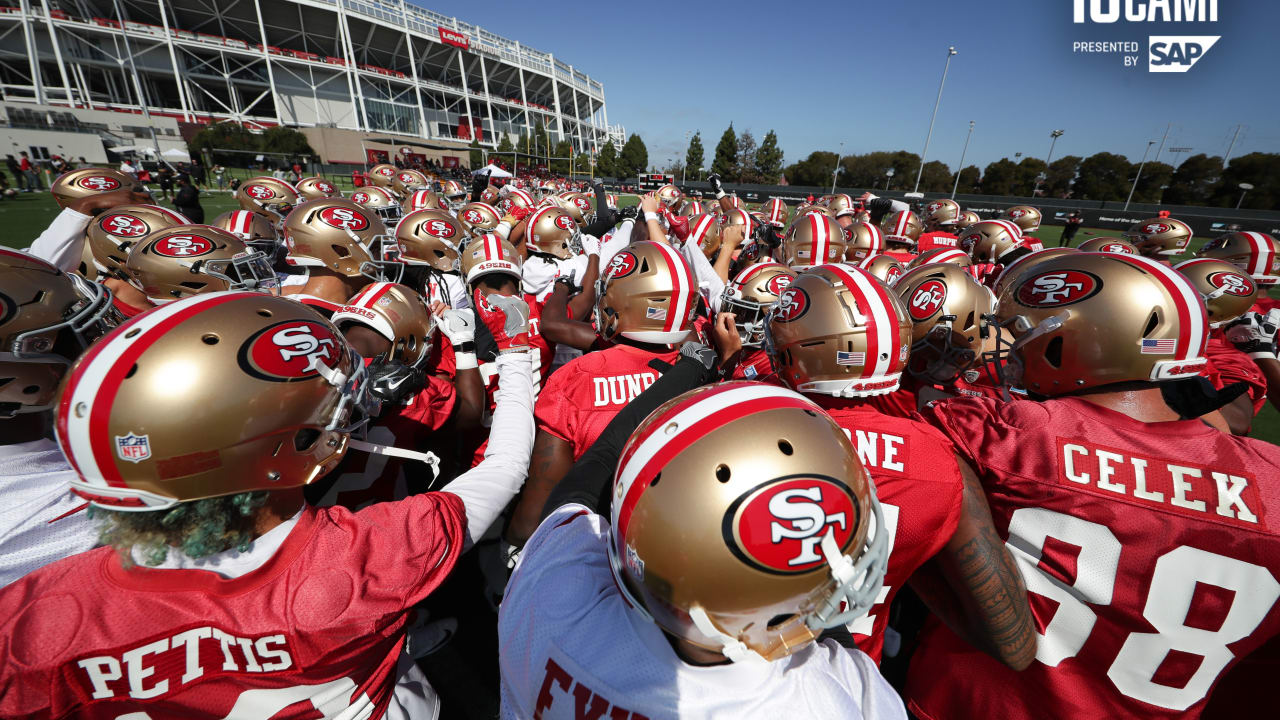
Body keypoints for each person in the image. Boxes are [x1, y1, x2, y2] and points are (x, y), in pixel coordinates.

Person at [0, 290, 535, 718]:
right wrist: (515, 353)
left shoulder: (32, 617)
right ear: (282, 447)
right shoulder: (373, 555)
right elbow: (506, 464)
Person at [904, 252, 1280, 720]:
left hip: (974, 705)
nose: (1010, 347)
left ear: (1069, 342)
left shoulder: (1002, 434)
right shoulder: (1271, 479)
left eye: (1023, 333)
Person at [500, 350, 907, 719]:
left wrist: (693, 367)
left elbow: (588, 479)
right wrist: (809, 588)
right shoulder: (833, 698)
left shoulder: (554, 601)